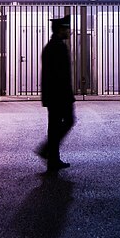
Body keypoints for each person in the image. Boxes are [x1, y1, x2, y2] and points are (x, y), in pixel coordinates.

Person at [37, 14, 75, 173]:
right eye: (67, 28)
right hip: (59, 96)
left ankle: (53, 159)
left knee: (54, 126)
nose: (69, 32)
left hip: (53, 95)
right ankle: (47, 150)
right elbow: (61, 76)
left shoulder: (52, 46)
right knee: (68, 121)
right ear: (60, 30)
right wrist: (68, 96)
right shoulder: (57, 47)